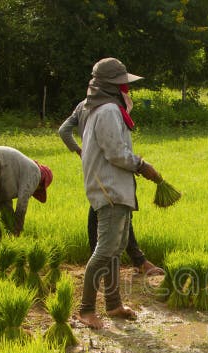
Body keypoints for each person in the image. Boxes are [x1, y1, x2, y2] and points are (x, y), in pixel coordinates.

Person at [77, 57, 164, 329]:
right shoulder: (107, 112)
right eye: (123, 84)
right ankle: (86, 309)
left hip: (115, 187)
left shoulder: (100, 109)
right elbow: (115, 153)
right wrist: (142, 165)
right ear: (112, 86)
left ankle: (113, 304)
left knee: (114, 251)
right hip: (110, 188)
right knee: (104, 251)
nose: (127, 89)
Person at [59, 100, 164, 276]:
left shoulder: (83, 105)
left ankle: (116, 263)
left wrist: (80, 151)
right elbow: (116, 151)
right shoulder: (109, 107)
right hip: (111, 169)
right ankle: (127, 263)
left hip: (94, 165)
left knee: (102, 209)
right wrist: (140, 165)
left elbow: (63, 130)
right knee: (116, 213)